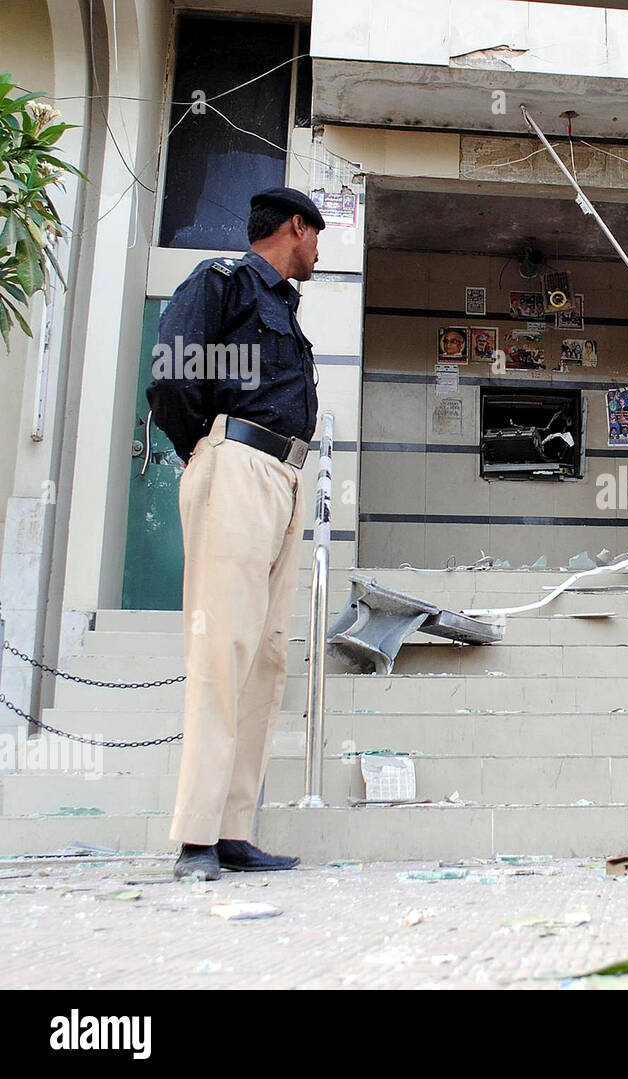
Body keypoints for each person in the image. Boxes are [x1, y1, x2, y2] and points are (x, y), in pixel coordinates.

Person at [146, 187, 325, 880]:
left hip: (285, 480)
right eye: (316, 237)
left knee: (266, 657)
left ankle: (232, 832)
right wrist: (206, 445)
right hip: (237, 465)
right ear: (295, 227)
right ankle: (195, 838)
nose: (317, 252)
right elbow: (171, 377)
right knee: (222, 647)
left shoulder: (285, 305)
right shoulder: (220, 282)